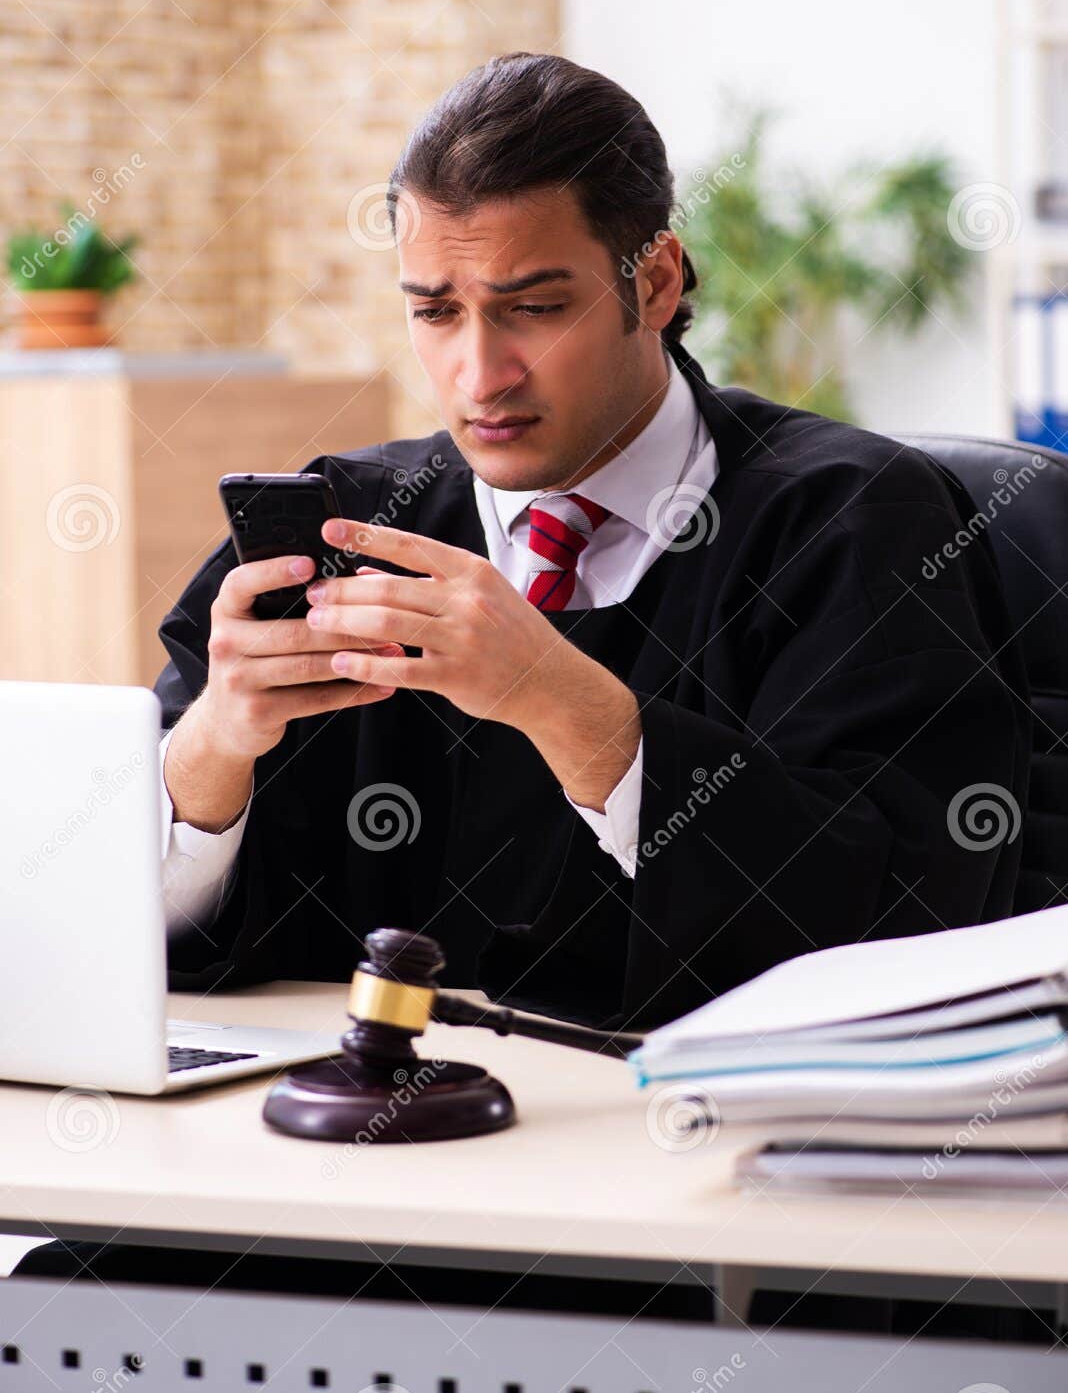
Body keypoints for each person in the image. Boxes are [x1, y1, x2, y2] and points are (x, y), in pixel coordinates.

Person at [157, 51, 1030, 1034]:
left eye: (533, 307)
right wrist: (216, 753)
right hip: (327, 1156)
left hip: (700, 1153)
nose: (479, 374)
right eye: (435, 311)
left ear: (653, 281)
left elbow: (914, 924)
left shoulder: (855, 520)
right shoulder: (341, 527)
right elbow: (120, 932)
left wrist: (564, 703)